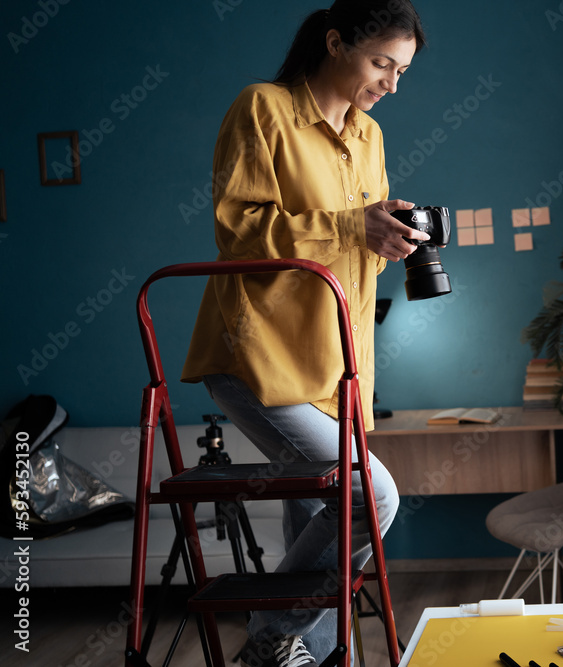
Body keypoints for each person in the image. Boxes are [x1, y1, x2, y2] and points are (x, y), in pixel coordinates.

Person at [180, 2, 428, 665]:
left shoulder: (369, 137)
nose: (391, 83)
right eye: (381, 63)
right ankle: (267, 638)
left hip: (331, 358)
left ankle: (304, 654)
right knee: (371, 493)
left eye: (401, 71)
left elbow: (352, 253)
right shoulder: (262, 109)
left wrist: (388, 235)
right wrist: (353, 224)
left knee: (316, 505)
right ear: (335, 42)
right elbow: (238, 230)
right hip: (256, 351)